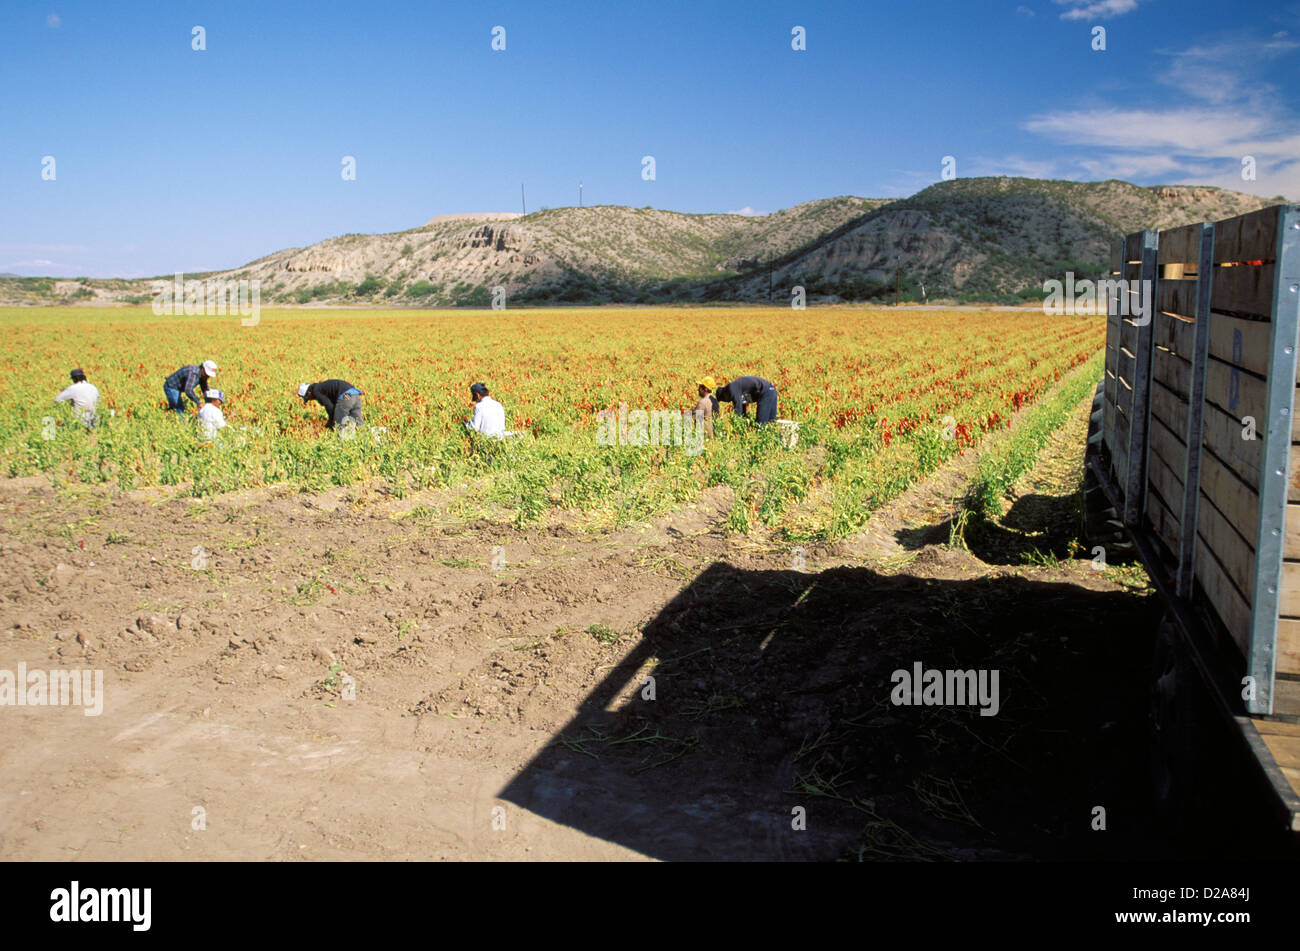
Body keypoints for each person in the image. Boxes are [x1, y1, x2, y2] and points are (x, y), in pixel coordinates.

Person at [298, 379, 364, 430]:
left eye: (308, 398)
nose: (310, 400)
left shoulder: (316, 391)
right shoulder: (321, 387)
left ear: (309, 393)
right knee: (359, 423)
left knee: (339, 425)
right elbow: (334, 405)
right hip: (355, 395)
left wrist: (331, 423)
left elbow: (329, 406)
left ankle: (341, 444)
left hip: (346, 396)